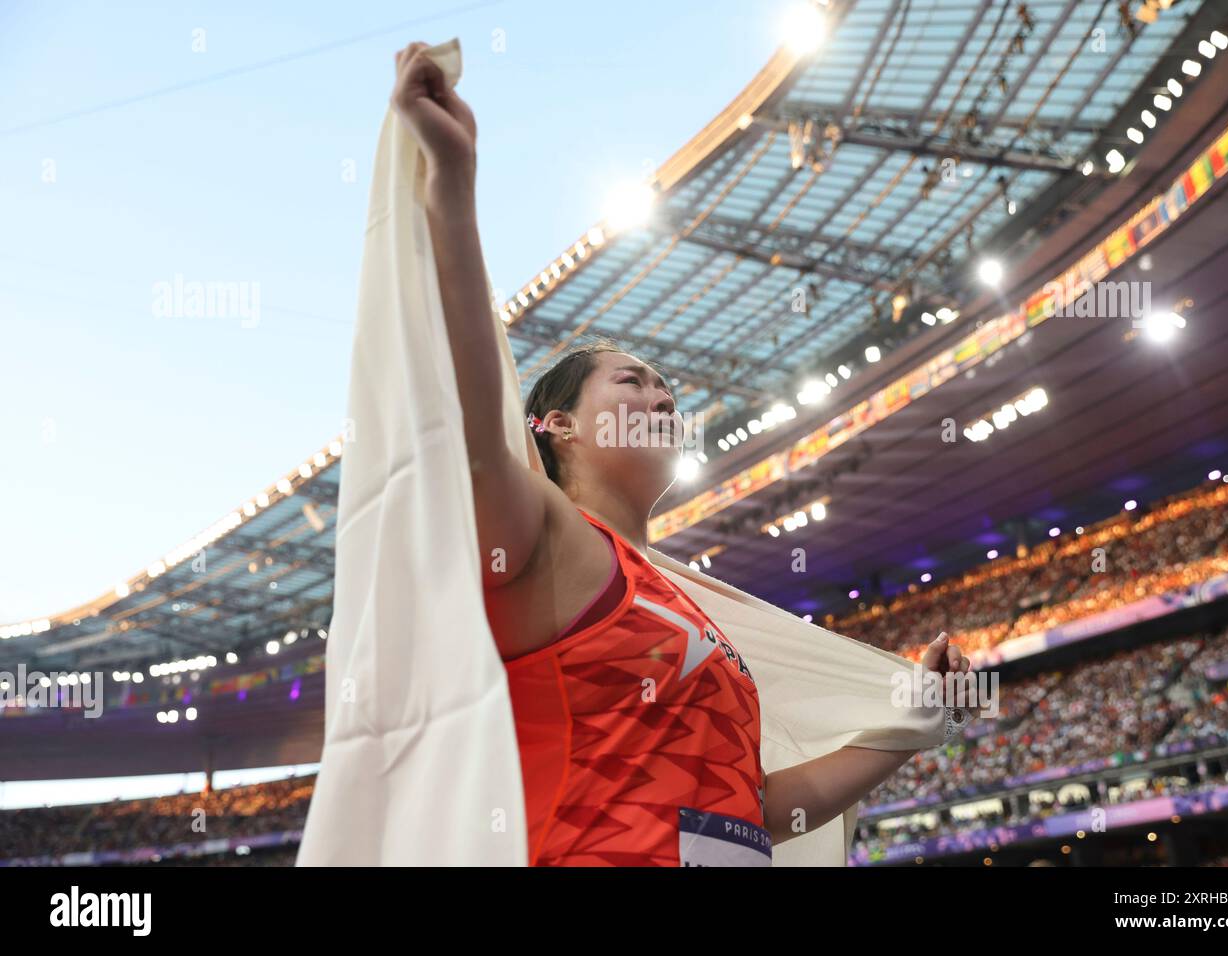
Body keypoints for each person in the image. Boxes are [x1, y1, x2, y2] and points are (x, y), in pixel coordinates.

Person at [389, 41, 970, 866]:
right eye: (632, 383)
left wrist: (918, 725)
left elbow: (759, 811)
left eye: (668, 391)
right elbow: (476, 430)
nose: (663, 401)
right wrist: (453, 190)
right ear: (553, 426)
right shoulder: (541, 543)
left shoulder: (691, 604)